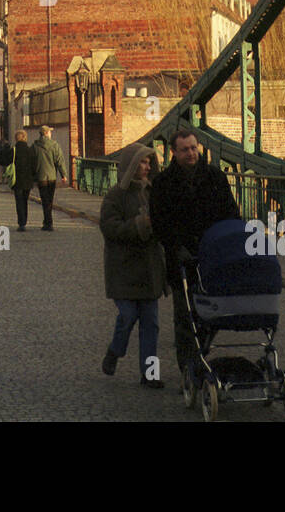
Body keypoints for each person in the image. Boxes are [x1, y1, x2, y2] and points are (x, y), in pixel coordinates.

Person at [149, 127, 241, 374]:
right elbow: (159, 223)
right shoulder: (162, 184)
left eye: (193, 148)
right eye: (185, 149)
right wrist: (175, 247)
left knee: (209, 314)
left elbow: (231, 214)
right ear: (173, 153)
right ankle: (188, 370)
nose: (191, 153)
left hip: (212, 257)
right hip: (181, 261)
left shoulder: (215, 178)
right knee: (184, 316)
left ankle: (203, 358)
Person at [99, 143, 166, 388]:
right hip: (123, 268)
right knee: (127, 316)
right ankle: (115, 351)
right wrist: (139, 224)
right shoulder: (116, 195)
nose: (147, 167)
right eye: (142, 162)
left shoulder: (154, 191)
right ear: (130, 165)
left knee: (151, 324)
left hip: (149, 268)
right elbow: (109, 228)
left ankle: (149, 374)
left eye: (149, 163)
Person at [32, 125, 66, 231]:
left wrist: (33, 176)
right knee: (50, 200)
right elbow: (59, 160)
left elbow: (32, 162)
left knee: (44, 199)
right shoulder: (54, 145)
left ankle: (47, 222)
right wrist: (63, 174)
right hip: (51, 176)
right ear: (46, 133)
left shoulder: (35, 146)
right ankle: (48, 222)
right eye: (50, 132)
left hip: (41, 177)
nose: (51, 134)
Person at [10, 130, 35, 232]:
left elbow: (6, 161)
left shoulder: (14, 150)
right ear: (25, 138)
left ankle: (21, 223)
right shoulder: (30, 150)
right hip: (28, 180)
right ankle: (24, 220)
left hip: (17, 180)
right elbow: (34, 165)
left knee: (19, 201)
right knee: (25, 201)